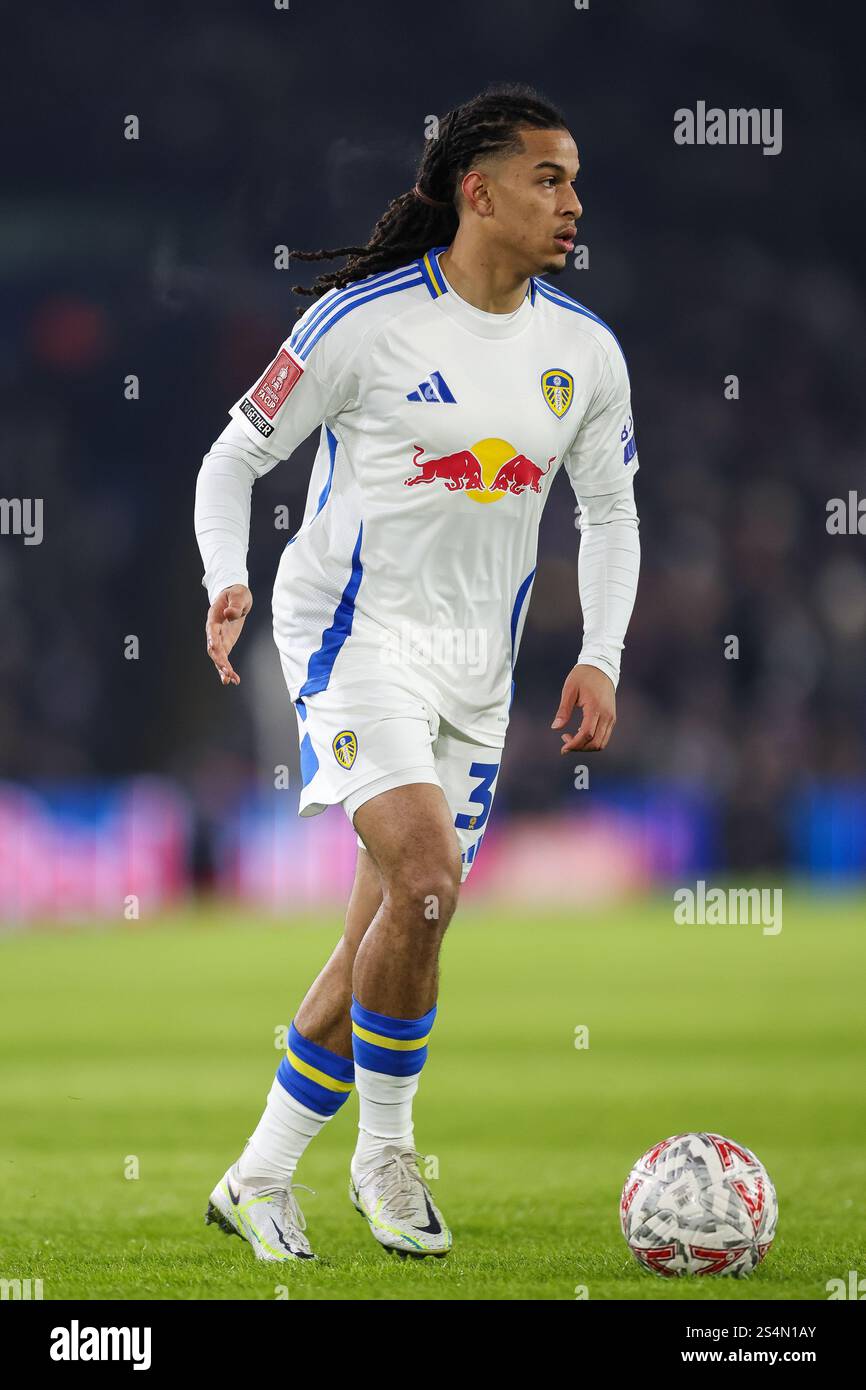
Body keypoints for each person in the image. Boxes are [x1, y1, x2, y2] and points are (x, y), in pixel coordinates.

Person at [195, 82, 640, 1262]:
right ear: (475, 191)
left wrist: (599, 652)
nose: (571, 202)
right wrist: (221, 575)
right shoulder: (360, 322)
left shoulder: (583, 353)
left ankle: (257, 1173)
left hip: (475, 676)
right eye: (548, 178)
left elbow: (609, 512)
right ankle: (387, 1156)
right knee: (428, 878)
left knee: (399, 920)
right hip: (350, 637)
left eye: (575, 178)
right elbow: (232, 456)